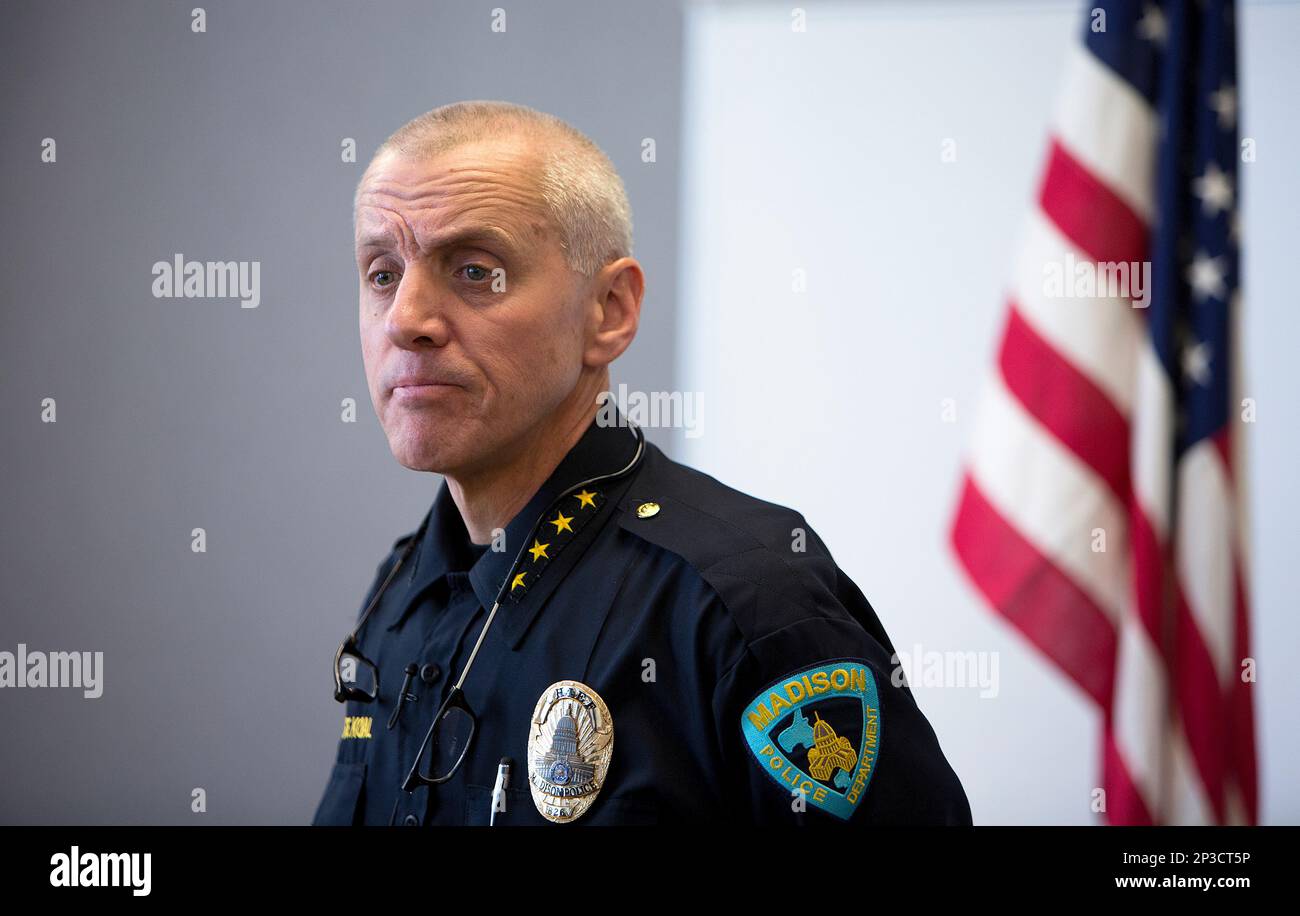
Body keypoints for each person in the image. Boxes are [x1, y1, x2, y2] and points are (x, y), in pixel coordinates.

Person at [313, 100, 971, 825]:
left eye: (475, 270)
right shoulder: (402, 592)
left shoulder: (744, 603)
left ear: (610, 311)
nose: (406, 319)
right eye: (381, 274)